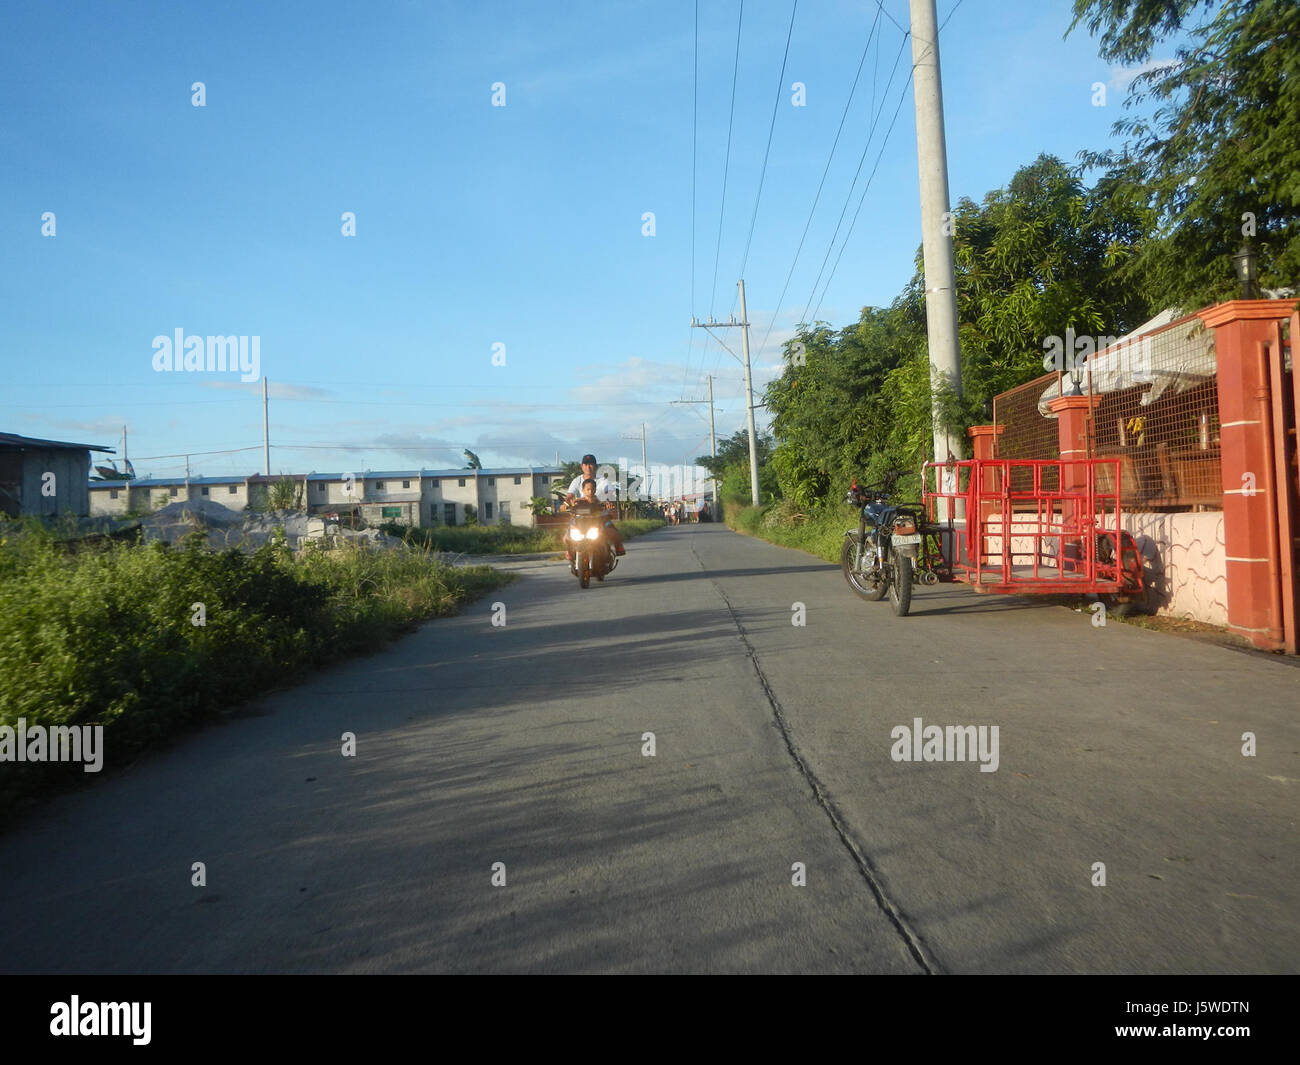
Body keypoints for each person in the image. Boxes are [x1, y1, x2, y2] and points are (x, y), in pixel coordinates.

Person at [563, 454, 625, 555]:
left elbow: (609, 492)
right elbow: (570, 495)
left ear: (595, 466)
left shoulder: (602, 480)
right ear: (582, 466)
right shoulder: (577, 481)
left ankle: (618, 546)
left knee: (612, 532)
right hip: (580, 516)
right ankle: (570, 551)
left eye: (591, 464)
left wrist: (609, 502)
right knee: (567, 537)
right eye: (586, 464)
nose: (588, 467)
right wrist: (565, 504)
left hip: (599, 514)